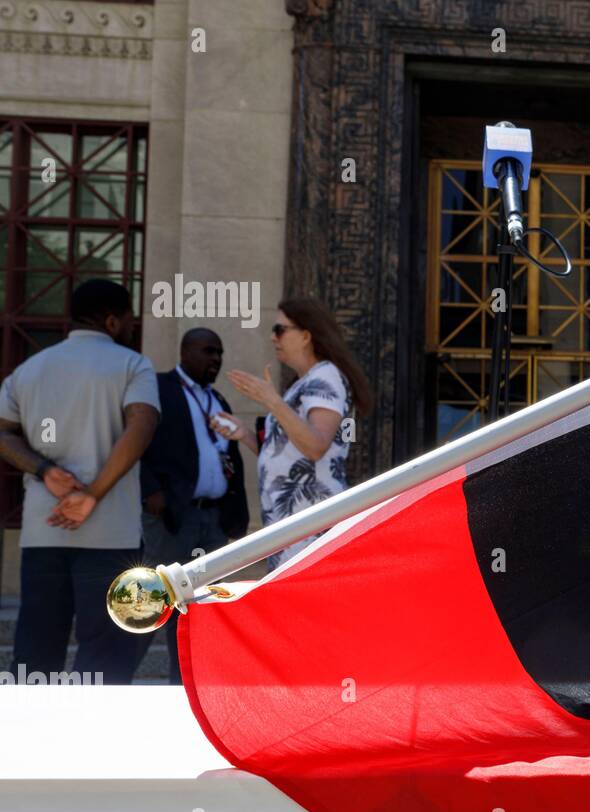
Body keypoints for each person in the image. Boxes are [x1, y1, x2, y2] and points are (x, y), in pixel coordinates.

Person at [0, 279, 159, 684]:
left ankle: (33, 736)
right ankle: (93, 739)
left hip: (43, 531)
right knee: (108, 649)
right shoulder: (132, 365)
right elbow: (141, 426)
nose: (129, 327)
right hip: (112, 536)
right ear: (111, 320)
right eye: (127, 320)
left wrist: (43, 470)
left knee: (36, 648)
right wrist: (92, 494)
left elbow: (3, 432)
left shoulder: (28, 370)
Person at [218, 299, 372, 570]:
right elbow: (289, 454)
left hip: (310, 525)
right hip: (293, 526)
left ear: (305, 336)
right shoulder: (306, 381)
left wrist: (272, 401)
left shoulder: (326, 377)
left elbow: (315, 446)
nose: (272, 337)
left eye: (280, 329)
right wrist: (244, 436)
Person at [137, 328, 249, 683]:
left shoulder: (217, 399)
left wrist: (237, 518)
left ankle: (203, 681)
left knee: (209, 605)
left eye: (219, 352)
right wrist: (149, 489)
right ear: (185, 352)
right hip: (173, 516)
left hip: (214, 518)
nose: (215, 359)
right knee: (165, 602)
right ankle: (169, 681)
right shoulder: (159, 388)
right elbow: (134, 441)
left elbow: (232, 460)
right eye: (207, 351)